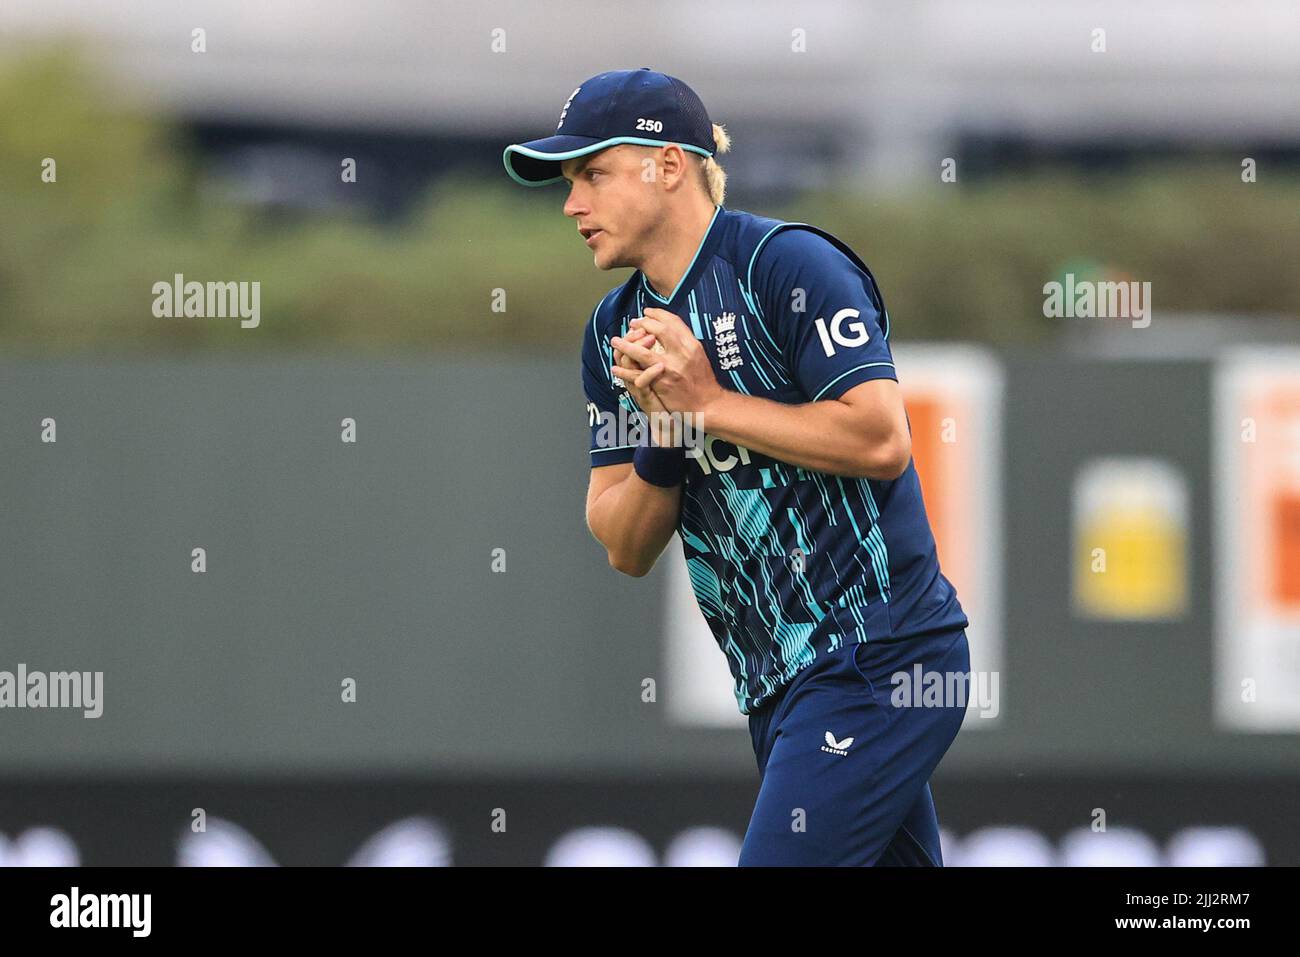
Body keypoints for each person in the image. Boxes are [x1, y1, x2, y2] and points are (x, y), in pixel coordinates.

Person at [504, 68, 971, 866]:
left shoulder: (785, 267)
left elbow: (881, 438)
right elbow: (623, 542)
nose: (571, 204)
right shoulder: (614, 333)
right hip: (778, 688)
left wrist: (706, 404)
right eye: (569, 181)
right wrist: (667, 433)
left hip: (882, 659)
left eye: (592, 174)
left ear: (668, 166)